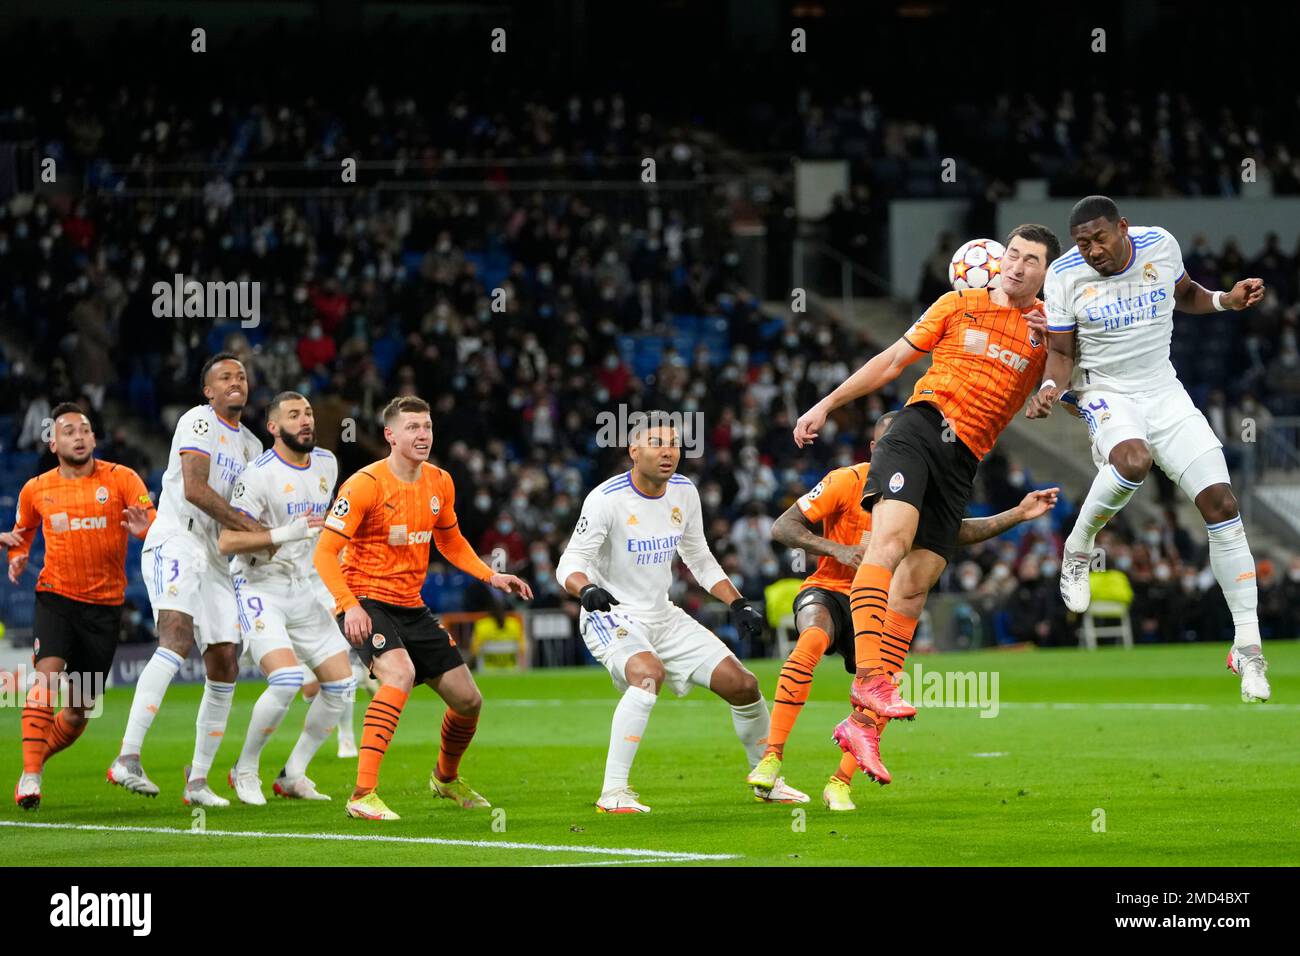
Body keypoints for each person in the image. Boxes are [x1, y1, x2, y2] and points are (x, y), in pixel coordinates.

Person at [794, 225, 1060, 780]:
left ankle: (862, 729)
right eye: (1011, 254)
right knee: (887, 545)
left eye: (1030, 260)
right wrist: (826, 404)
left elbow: (1065, 385)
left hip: (964, 462)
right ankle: (870, 680)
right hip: (919, 430)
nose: (1016, 265)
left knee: (913, 588)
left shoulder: (1049, 333)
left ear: (1045, 274)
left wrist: (1057, 368)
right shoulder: (958, 303)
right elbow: (891, 361)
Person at [1027, 195, 1270, 702]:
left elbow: (1184, 294)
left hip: (1165, 391)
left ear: (1123, 227)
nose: (1091, 250)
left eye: (1100, 238)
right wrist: (1051, 389)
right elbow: (1061, 352)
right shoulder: (1065, 276)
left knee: (1222, 505)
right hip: (1105, 391)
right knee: (1132, 462)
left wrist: (1226, 299)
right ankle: (1078, 548)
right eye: (1082, 242)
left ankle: (1248, 649)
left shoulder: (1161, 244)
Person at [760, 410, 1058, 809]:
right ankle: (771, 757)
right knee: (812, 638)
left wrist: (1018, 514)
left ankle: (840, 782)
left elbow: (954, 534)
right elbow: (783, 527)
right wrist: (838, 549)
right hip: (830, 591)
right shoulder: (845, 480)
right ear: (875, 448)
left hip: (882, 603)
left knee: (885, 689)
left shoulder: (919, 494)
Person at [556, 416, 805, 814]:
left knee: (744, 684)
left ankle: (767, 779)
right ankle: (613, 792)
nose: (668, 451)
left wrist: (737, 602)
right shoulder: (605, 499)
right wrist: (585, 589)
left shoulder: (684, 492)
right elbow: (569, 562)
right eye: (656, 443)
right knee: (647, 674)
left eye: (674, 443)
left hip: (663, 615)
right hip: (611, 615)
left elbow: (699, 558)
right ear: (633, 451)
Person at [313, 395, 533, 821]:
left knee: (469, 700)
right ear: (390, 435)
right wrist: (348, 606)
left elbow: (449, 541)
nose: (423, 435)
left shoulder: (439, 482)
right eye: (412, 427)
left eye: (427, 427)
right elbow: (324, 553)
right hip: (365, 600)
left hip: (410, 605)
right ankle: (362, 794)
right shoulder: (364, 484)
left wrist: (491, 575)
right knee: (400, 673)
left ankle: (445, 779)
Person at [108, 354, 265, 805]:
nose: (236, 381)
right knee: (175, 637)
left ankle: (197, 782)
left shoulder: (252, 447)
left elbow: (252, 511)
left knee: (225, 663)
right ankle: (128, 757)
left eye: (241, 376)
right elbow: (195, 490)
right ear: (208, 391)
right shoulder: (198, 422)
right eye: (224, 377)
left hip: (217, 558)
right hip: (178, 540)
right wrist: (252, 529)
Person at [2, 403, 155, 809]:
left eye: (85, 429)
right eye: (69, 431)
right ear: (53, 442)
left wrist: (146, 531)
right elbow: (23, 533)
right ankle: (32, 776)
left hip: (104, 608)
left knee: (77, 711)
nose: (80, 436)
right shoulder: (36, 488)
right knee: (45, 681)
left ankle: (34, 761)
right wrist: (17, 554)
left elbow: (157, 529)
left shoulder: (122, 478)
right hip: (56, 598)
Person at [217, 392, 356, 804]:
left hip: (304, 586)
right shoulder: (257, 475)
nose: (306, 420)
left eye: (309, 413)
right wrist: (282, 534)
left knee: (341, 686)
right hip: (259, 584)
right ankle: (244, 770)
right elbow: (227, 541)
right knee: (286, 679)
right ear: (274, 427)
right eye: (294, 415)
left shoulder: (328, 464)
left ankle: (293, 774)